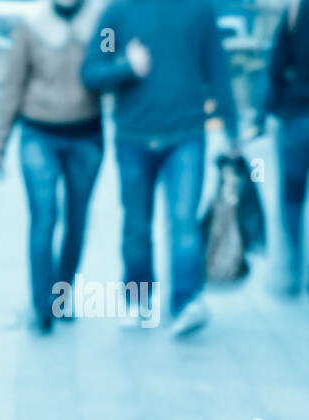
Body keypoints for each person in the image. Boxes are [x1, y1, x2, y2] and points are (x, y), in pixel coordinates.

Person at [82, 0, 239, 336]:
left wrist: (233, 130)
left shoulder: (198, 10)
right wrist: (126, 66)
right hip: (132, 138)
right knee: (137, 227)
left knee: (183, 223)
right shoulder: (116, 14)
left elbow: (217, 68)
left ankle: (186, 303)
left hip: (187, 136)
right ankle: (138, 302)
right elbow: (93, 70)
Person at [0, 0, 105, 333]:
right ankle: (41, 304)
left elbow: (112, 64)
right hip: (38, 132)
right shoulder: (31, 25)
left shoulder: (102, 23)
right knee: (44, 217)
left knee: (77, 219)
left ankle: (62, 296)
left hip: (86, 134)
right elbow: (13, 84)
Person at [255, 0, 309, 296]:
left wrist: (264, 112)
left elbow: (276, 62)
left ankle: (291, 274)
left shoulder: (297, 9)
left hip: (296, 118)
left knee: (291, 198)